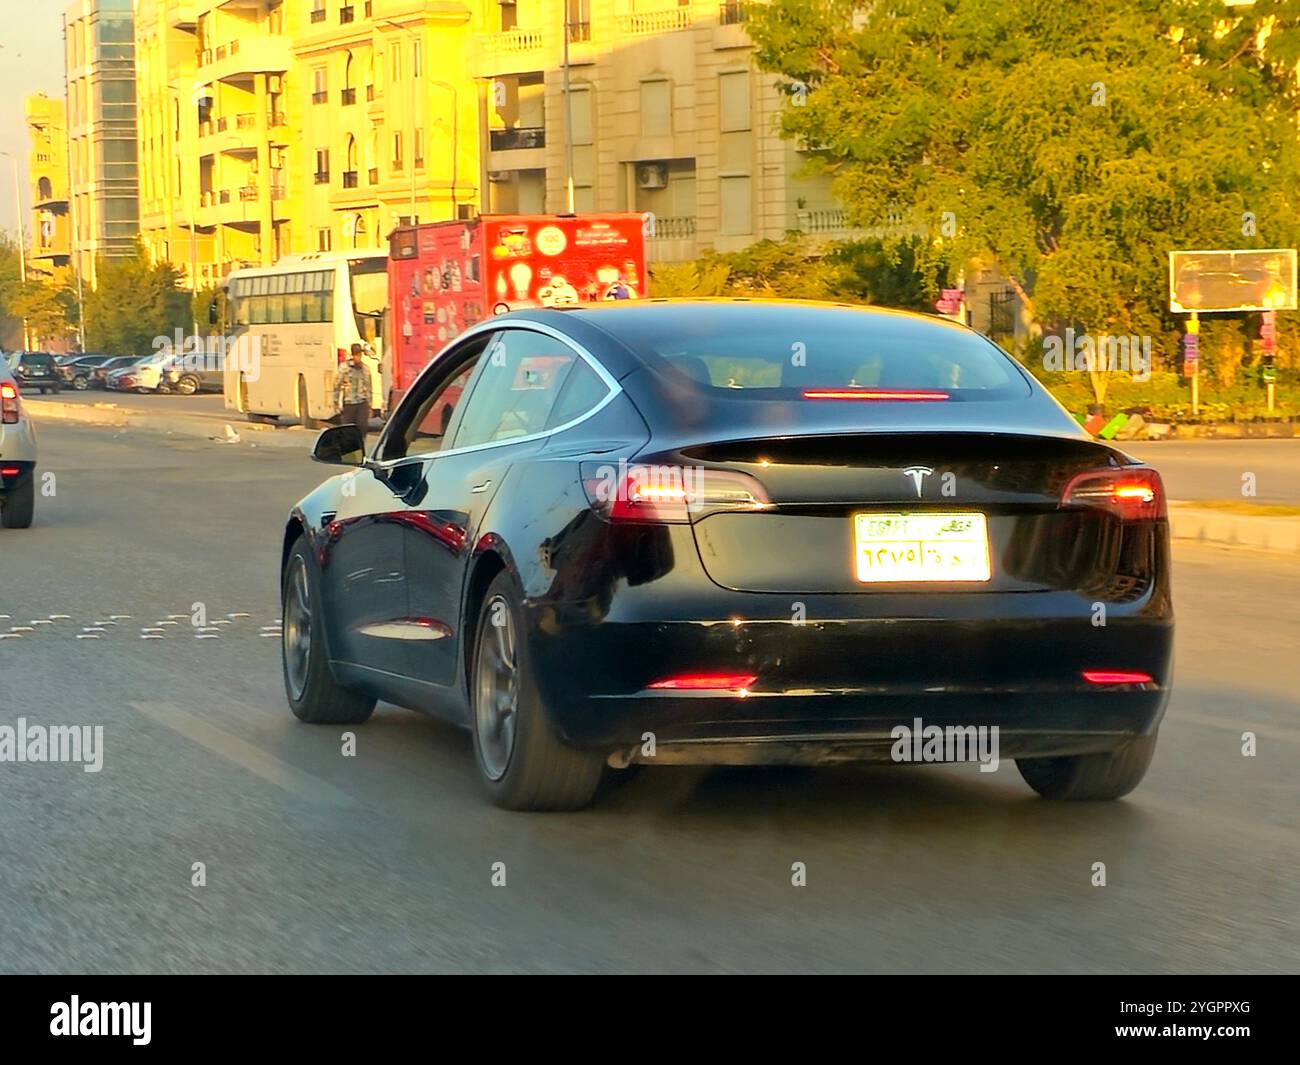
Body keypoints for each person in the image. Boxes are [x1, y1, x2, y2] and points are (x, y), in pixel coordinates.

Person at [333, 343, 373, 448]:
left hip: (362, 403)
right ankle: (349, 449)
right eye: (356, 355)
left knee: (362, 428)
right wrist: (336, 402)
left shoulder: (365, 369)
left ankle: (360, 447)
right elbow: (337, 385)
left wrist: (370, 405)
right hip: (349, 403)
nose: (357, 358)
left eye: (359, 355)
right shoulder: (344, 368)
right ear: (352, 354)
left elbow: (369, 387)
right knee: (348, 429)